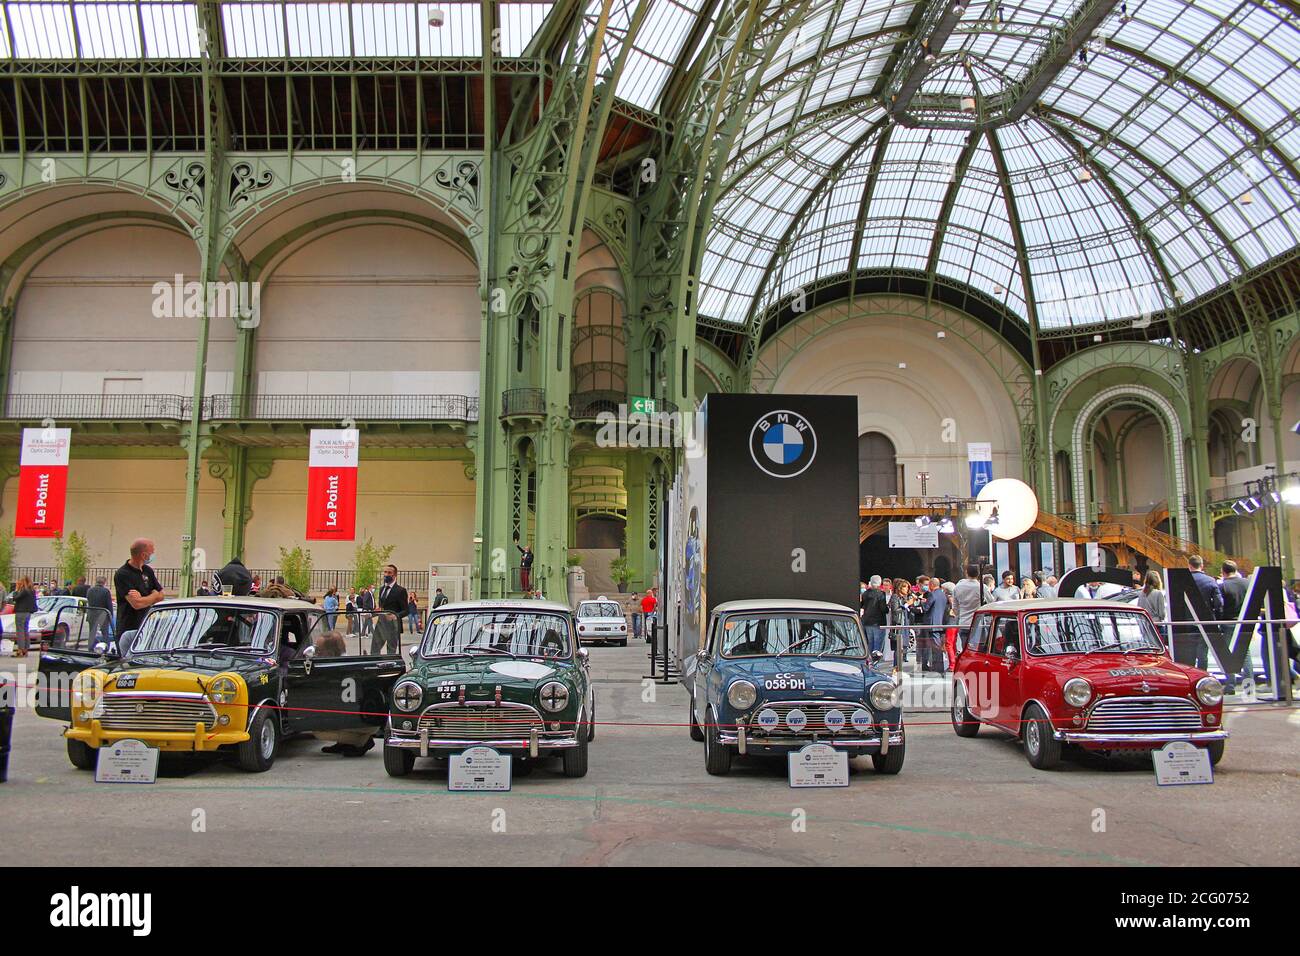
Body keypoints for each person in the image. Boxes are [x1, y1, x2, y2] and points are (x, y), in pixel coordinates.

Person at [1175, 554, 1221, 668]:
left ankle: (1191, 676)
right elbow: (1219, 602)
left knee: (1188, 653)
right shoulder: (1210, 581)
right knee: (1202, 653)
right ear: (1202, 565)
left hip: (1186, 622)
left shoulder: (1181, 581)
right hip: (1205, 621)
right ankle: (1202, 676)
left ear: (1189, 565)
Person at [113, 538, 165, 638]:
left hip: (147, 625)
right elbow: (137, 604)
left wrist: (144, 598)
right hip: (129, 628)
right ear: (143, 555)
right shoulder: (123, 574)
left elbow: (161, 595)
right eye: (152, 552)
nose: (153, 554)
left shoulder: (148, 571)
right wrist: (153, 595)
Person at [374, 564, 408, 655]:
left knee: (391, 652)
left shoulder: (401, 591)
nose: (386, 574)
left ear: (395, 575)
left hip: (393, 626)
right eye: (385, 572)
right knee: (374, 650)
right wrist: (377, 611)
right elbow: (382, 606)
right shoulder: (382, 589)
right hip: (381, 624)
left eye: (389, 573)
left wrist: (395, 616)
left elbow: (406, 610)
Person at [952, 564, 985, 654]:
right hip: (979, 623)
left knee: (965, 649)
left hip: (964, 622)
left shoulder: (958, 587)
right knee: (979, 650)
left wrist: (960, 614)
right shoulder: (982, 587)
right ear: (978, 573)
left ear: (966, 573)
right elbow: (991, 602)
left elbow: (954, 607)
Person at [919, 577, 948, 674]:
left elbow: (926, 608)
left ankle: (938, 667)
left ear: (931, 585)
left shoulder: (932, 594)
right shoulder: (943, 594)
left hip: (931, 624)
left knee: (935, 647)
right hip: (939, 623)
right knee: (937, 646)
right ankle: (937, 666)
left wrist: (923, 602)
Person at [860, 575, 888, 656]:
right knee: (878, 644)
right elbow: (883, 608)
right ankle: (875, 664)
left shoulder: (865, 593)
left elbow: (863, 605)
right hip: (878, 622)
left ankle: (869, 662)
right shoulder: (881, 594)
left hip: (867, 621)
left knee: (870, 643)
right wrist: (887, 609)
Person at [11, 576, 36, 656]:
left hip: (21, 612)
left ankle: (20, 649)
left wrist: (16, 590)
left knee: (20, 631)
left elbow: (15, 598)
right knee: (25, 630)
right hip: (28, 613)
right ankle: (26, 648)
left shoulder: (23, 591)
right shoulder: (32, 591)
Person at [86, 575, 114, 644]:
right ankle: (105, 647)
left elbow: (88, 600)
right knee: (105, 632)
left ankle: (90, 647)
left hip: (91, 611)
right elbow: (109, 604)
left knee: (92, 632)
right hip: (103, 612)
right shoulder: (106, 591)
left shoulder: (90, 590)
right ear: (104, 582)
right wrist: (111, 615)